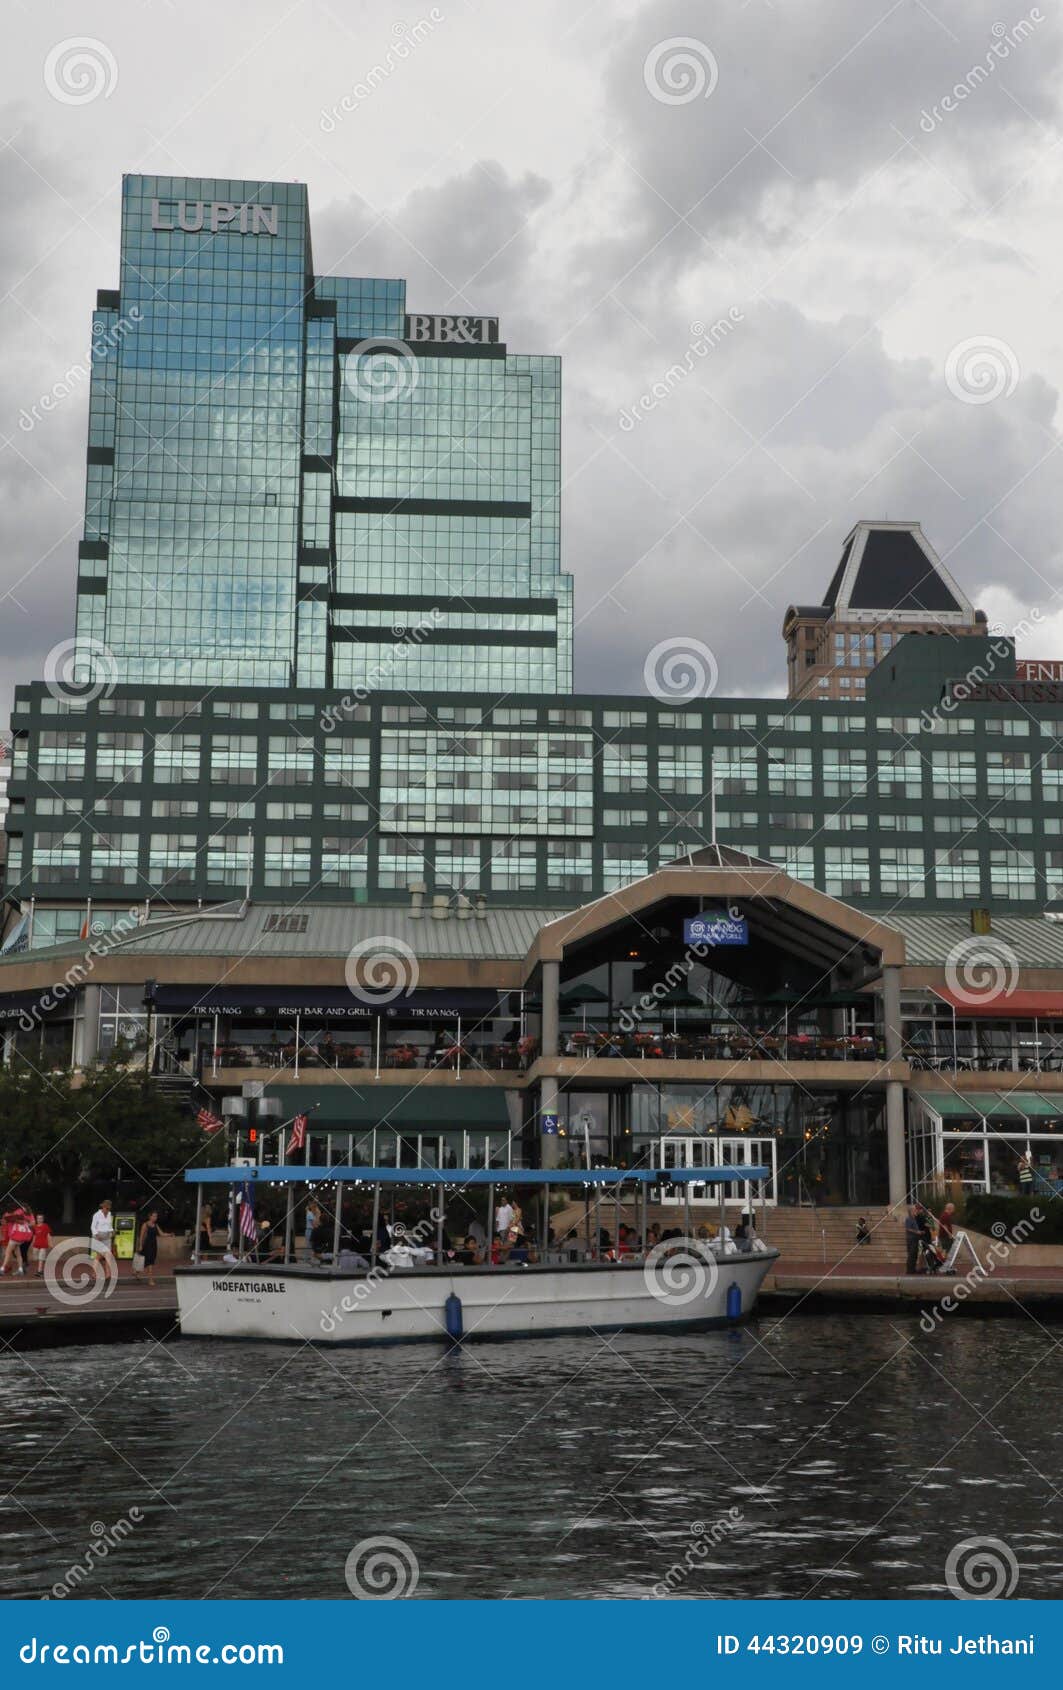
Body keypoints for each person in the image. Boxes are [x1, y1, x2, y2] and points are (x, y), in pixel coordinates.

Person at [90, 1199, 117, 1283]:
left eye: (109, 1208)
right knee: (99, 1255)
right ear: (103, 1207)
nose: (107, 1210)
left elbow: (109, 1225)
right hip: (98, 1236)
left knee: (108, 1255)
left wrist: (112, 1231)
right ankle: (94, 1272)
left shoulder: (109, 1214)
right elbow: (93, 1226)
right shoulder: (97, 1215)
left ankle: (107, 1274)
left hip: (107, 1237)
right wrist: (97, 1235)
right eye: (106, 1208)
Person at [136, 1209, 164, 1288]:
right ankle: (150, 1280)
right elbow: (141, 1236)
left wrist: (169, 1234)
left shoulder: (156, 1225)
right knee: (150, 1262)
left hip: (154, 1245)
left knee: (146, 1261)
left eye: (156, 1216)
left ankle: (136, 1272)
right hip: (147, 1245)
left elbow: (161, 1234)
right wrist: (140, 1245)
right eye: (154, 1216)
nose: (155, 1218)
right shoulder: (145, 1225)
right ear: (150, 1216)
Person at [1, 1207, 33, 1275]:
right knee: (18, 1254)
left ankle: (2, 1269)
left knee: (8, 1253)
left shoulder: (16, 1215)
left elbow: (7, 1218)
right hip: (20, 1239)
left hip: (14, 1238)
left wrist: (10, 1217)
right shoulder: (27, 1216)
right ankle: (20, 1269)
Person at [904, 1204, 924, 1275]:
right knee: (911, 1254)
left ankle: (913, 1269)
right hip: (911, 1239)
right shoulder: (908, 1219)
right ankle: (909, 1270)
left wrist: (920, 1232)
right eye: (915, 1210)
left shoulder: (914, 1218)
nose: (916, 1211)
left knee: (914, 1254)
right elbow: (908, 1228)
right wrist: (917, 1232)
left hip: (915, 1238)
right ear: (911, 1211)